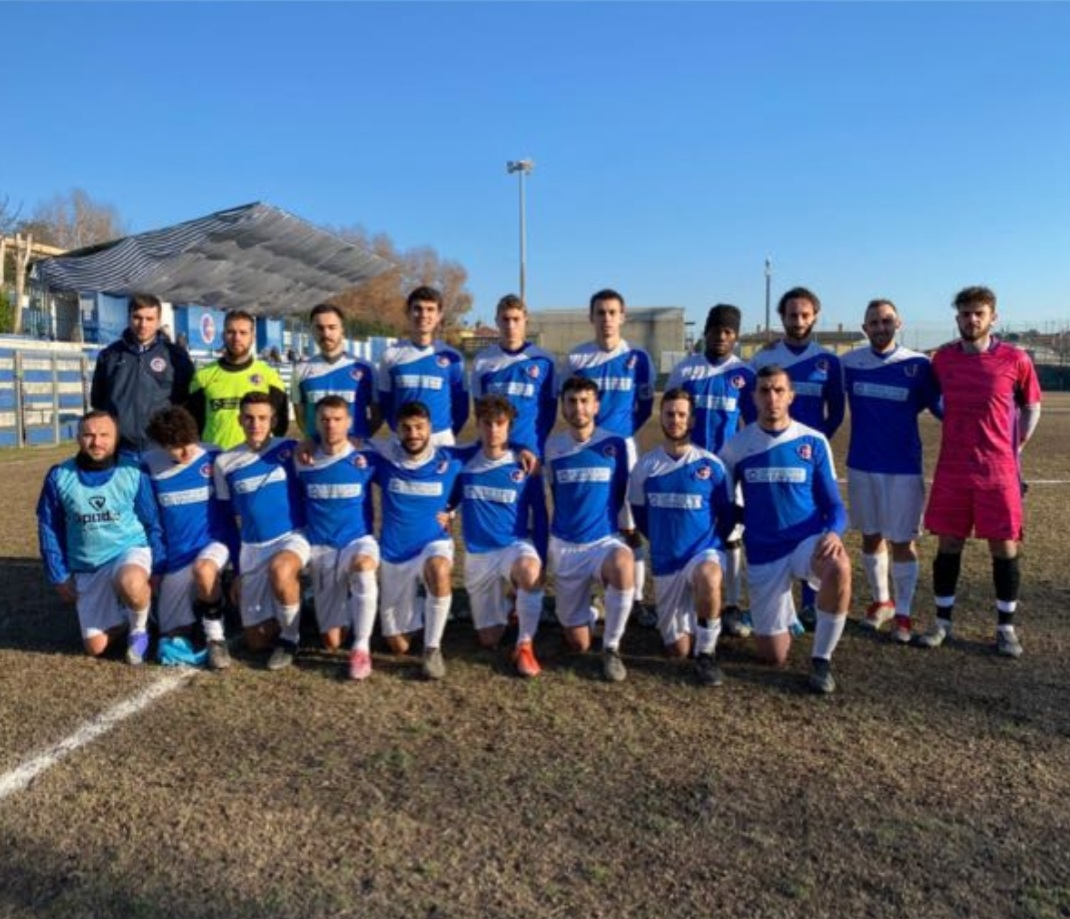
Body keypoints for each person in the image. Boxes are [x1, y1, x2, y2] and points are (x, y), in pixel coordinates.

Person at [916, 286, 1041, 658]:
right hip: (953, 468)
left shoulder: (1015, 359)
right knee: (949, 544)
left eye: (979, 313)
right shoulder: (943, 360)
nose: (972, 320)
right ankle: (942, 622)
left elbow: (1031, 405)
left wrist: (1015, 445)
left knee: (1004, 546)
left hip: (998, 470)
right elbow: (931, 396)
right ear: (957, 318)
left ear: (993, 318)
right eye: (965, 313)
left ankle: (1005, 628)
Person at [719, 366, 851, 694]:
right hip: (764, 550)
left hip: (806, 542)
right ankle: (784, 615)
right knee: (772, 656)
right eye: (764, 391)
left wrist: (833, 532)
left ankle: (822, 660)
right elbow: (722, 505)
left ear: (791, 395)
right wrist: (749, 517)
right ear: (753, 398)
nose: (772, 398)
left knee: (838, 566)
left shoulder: (813, 441)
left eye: (779, 390)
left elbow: (835, 506)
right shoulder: (736, 447)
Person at [840, 299, 941, 642]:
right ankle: (881, 602)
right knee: (870, 536)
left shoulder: (918, 364)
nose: (880, 327)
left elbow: (943, 408)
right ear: (864, 328)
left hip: (903, 469)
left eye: (887, 321)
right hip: (862, 465)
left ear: (898, 324)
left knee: (902, 540)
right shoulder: (849, 364)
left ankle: (904, 614)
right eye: (874, 322)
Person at [751, 286, 845, 630]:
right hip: (769, 453)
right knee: (773, 521)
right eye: (792, 315)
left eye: (805, 315)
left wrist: (815, 444)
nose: (799, 321)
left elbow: (836, 411)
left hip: (808, 456)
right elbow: (752, 408)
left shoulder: (828, 361)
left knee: (813, 522)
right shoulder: (764, 360)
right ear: (783, 318)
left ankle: (809, 603)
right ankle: (779, 603)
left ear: (815, 316)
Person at [37, 411, 164, 663]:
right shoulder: (59, 476)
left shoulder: (133, 470)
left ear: (116, 438)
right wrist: (58, 574)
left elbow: (152, 522)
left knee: (131, 582)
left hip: (128, 550)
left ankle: (139, 631)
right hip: (88, 564)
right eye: (89, 435)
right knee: (95, 647)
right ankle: (136, 611)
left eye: (104, 435)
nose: (96, 442)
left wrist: (158, 563)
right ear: (78, 438)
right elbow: (49, 526)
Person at [628, 389, 735, 686]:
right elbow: (642, 518)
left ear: (692, 420)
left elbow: (725, 518)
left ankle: (707, 653)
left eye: (681, 414)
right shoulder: (645, 468)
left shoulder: (712, 465)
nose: (675, 420)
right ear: (660, 417)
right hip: (666, 561)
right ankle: (695, 623)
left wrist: (710, 545)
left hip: (702, 552)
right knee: (676, 650)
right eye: (670, 414)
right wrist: (664, 541)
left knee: (709, 575)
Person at [562, 288, 654, 624]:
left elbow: (644, 406)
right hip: (586, 449)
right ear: (591, 317)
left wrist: (619, 434)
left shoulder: (638, 358)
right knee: (594, 519)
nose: (606, 319)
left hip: (622, 449)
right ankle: (595, 595)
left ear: (622, 316)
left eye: (612, 312)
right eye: (600, 312)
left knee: (628, 525)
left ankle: (639, 598)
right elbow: (570, 403)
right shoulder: (577, 359)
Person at [667, 303, 756, 636]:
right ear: (705, 332)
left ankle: (731, 605)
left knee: (731, 536)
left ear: (736, 336)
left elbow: (751, 424)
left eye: (728, 331)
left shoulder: (744, 375)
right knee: (691, 528)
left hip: (727, 470)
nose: (721, 336)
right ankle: (689, 596)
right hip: (689, 466)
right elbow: (673, 418)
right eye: (716, 330)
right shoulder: (686, 371)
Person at [446, 395, 548, 677]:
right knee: (489, 639)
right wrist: (446, 510)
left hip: (513, 546)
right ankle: (511, 603)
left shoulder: (524, 464)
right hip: (479, 553)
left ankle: (525, 644)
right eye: (487, 423)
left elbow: (540, 514)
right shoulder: (464, 460)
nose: (493, 430)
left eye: (500, 424)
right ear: (477, 425)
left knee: (528, 571)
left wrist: (542, 560)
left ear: (509, 427)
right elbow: (450, 493)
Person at [365, 401, 467, 680]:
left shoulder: (449, 459)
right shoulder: (384, 459)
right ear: (397, 430)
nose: (413, 434)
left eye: (419, 427)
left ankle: (432, 649)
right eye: (407, 428)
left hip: (433, 544)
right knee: (398, 646)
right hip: (394, 552)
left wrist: (450, 509)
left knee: (439, 569)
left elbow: (488, 456)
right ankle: (423, 604)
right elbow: (348, 443)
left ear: (430, 429)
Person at [544, 376, 636, 682]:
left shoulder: (616, 444)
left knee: (624, 566)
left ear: (596, 406)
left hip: (603, 541)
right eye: (571, 401)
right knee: (578, 643)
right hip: (566, 544)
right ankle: (593, 613)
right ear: (563, 407)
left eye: (585, 401)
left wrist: (626, 528)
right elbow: (555, 493)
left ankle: (611, 648)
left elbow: (623, 490)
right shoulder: (553, 446)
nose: (578, 408)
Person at [213, 392, 309, 670]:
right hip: (252, 547)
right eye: (249, 418)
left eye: (263, 418)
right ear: (239, 420)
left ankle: (291, 639)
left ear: (274, 420)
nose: (256, 424)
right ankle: (298, 603)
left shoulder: (291, 449)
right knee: (256, 641)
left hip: (292, 537)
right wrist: (237, 572)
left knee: (281, 570)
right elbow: (226, 520)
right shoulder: (225, 462)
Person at [141, 406, 237, 670]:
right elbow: (152, 522)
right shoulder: (148, 465)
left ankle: (216, 640)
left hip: (213, 543)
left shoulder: (214, 454)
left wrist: (239, 566)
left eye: (189, 443)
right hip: (176, 555)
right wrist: (158, 565)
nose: (186, 452)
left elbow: (229, 512)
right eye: (175, 447)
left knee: (204, 570)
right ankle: (211, 603)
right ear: (160, 444)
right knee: (173, 633)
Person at [294, 395, 380, 681]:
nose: (331, 425)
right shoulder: (301, 459)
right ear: (315, 423)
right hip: (321, 547)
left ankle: (361, 647)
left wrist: (448, 510)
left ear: (349, 422)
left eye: (337, 419)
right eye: (325, 420)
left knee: (365, 567)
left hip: (357, 540)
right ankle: (340, 603)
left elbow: (412, 465)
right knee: (331, 641)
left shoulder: (366, 456)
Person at [90, 293, 195, 455]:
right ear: (129, 318)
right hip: (120, 447)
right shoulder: (109, 355)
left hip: (162, 445)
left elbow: (187, 402)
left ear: (159, 321)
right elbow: (98, 401)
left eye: (149, 319)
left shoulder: (176, 356)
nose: (143, 324)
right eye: (137, 317)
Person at [378, 286, 468, 446]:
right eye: (417, 309)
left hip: (440, 439)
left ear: (439, 315)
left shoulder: (453, 358)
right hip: (403, 438)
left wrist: (446, 433)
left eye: (430, 309)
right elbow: (385, 402)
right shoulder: (390, 355)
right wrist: (400, 430)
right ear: (408, 312)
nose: (423, 315)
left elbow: (461, 405)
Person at [187, 309, 289, 449]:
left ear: (252, 337)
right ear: (223, 335)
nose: (236, 338)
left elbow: (280, 425)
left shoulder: (269, 376)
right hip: (214, 458)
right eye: (231, 332)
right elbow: (193, 425)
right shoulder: (202, 376)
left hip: (255, 458)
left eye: (243, 333)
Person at [470, 294, 557, 458]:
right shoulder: (482, 361)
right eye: (505, 319)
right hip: (493, 451)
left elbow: (549, 411)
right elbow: (479, 409)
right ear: (497, 321)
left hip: (529, 450)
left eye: (516, 319)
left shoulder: (544, 360)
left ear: (526, 320)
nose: (511, 325)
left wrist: (537, 444)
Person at [292, 302, 381, 444]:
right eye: (319, 328)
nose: (326, 334)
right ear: (312, 331)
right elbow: (300, 415)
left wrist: (362, 438)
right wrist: (315, 440)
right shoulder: (300, 371)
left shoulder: (366, 369)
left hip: (356, 454)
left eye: (332, 327)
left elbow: (378, 414)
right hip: (317, 455)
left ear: (342, 330)